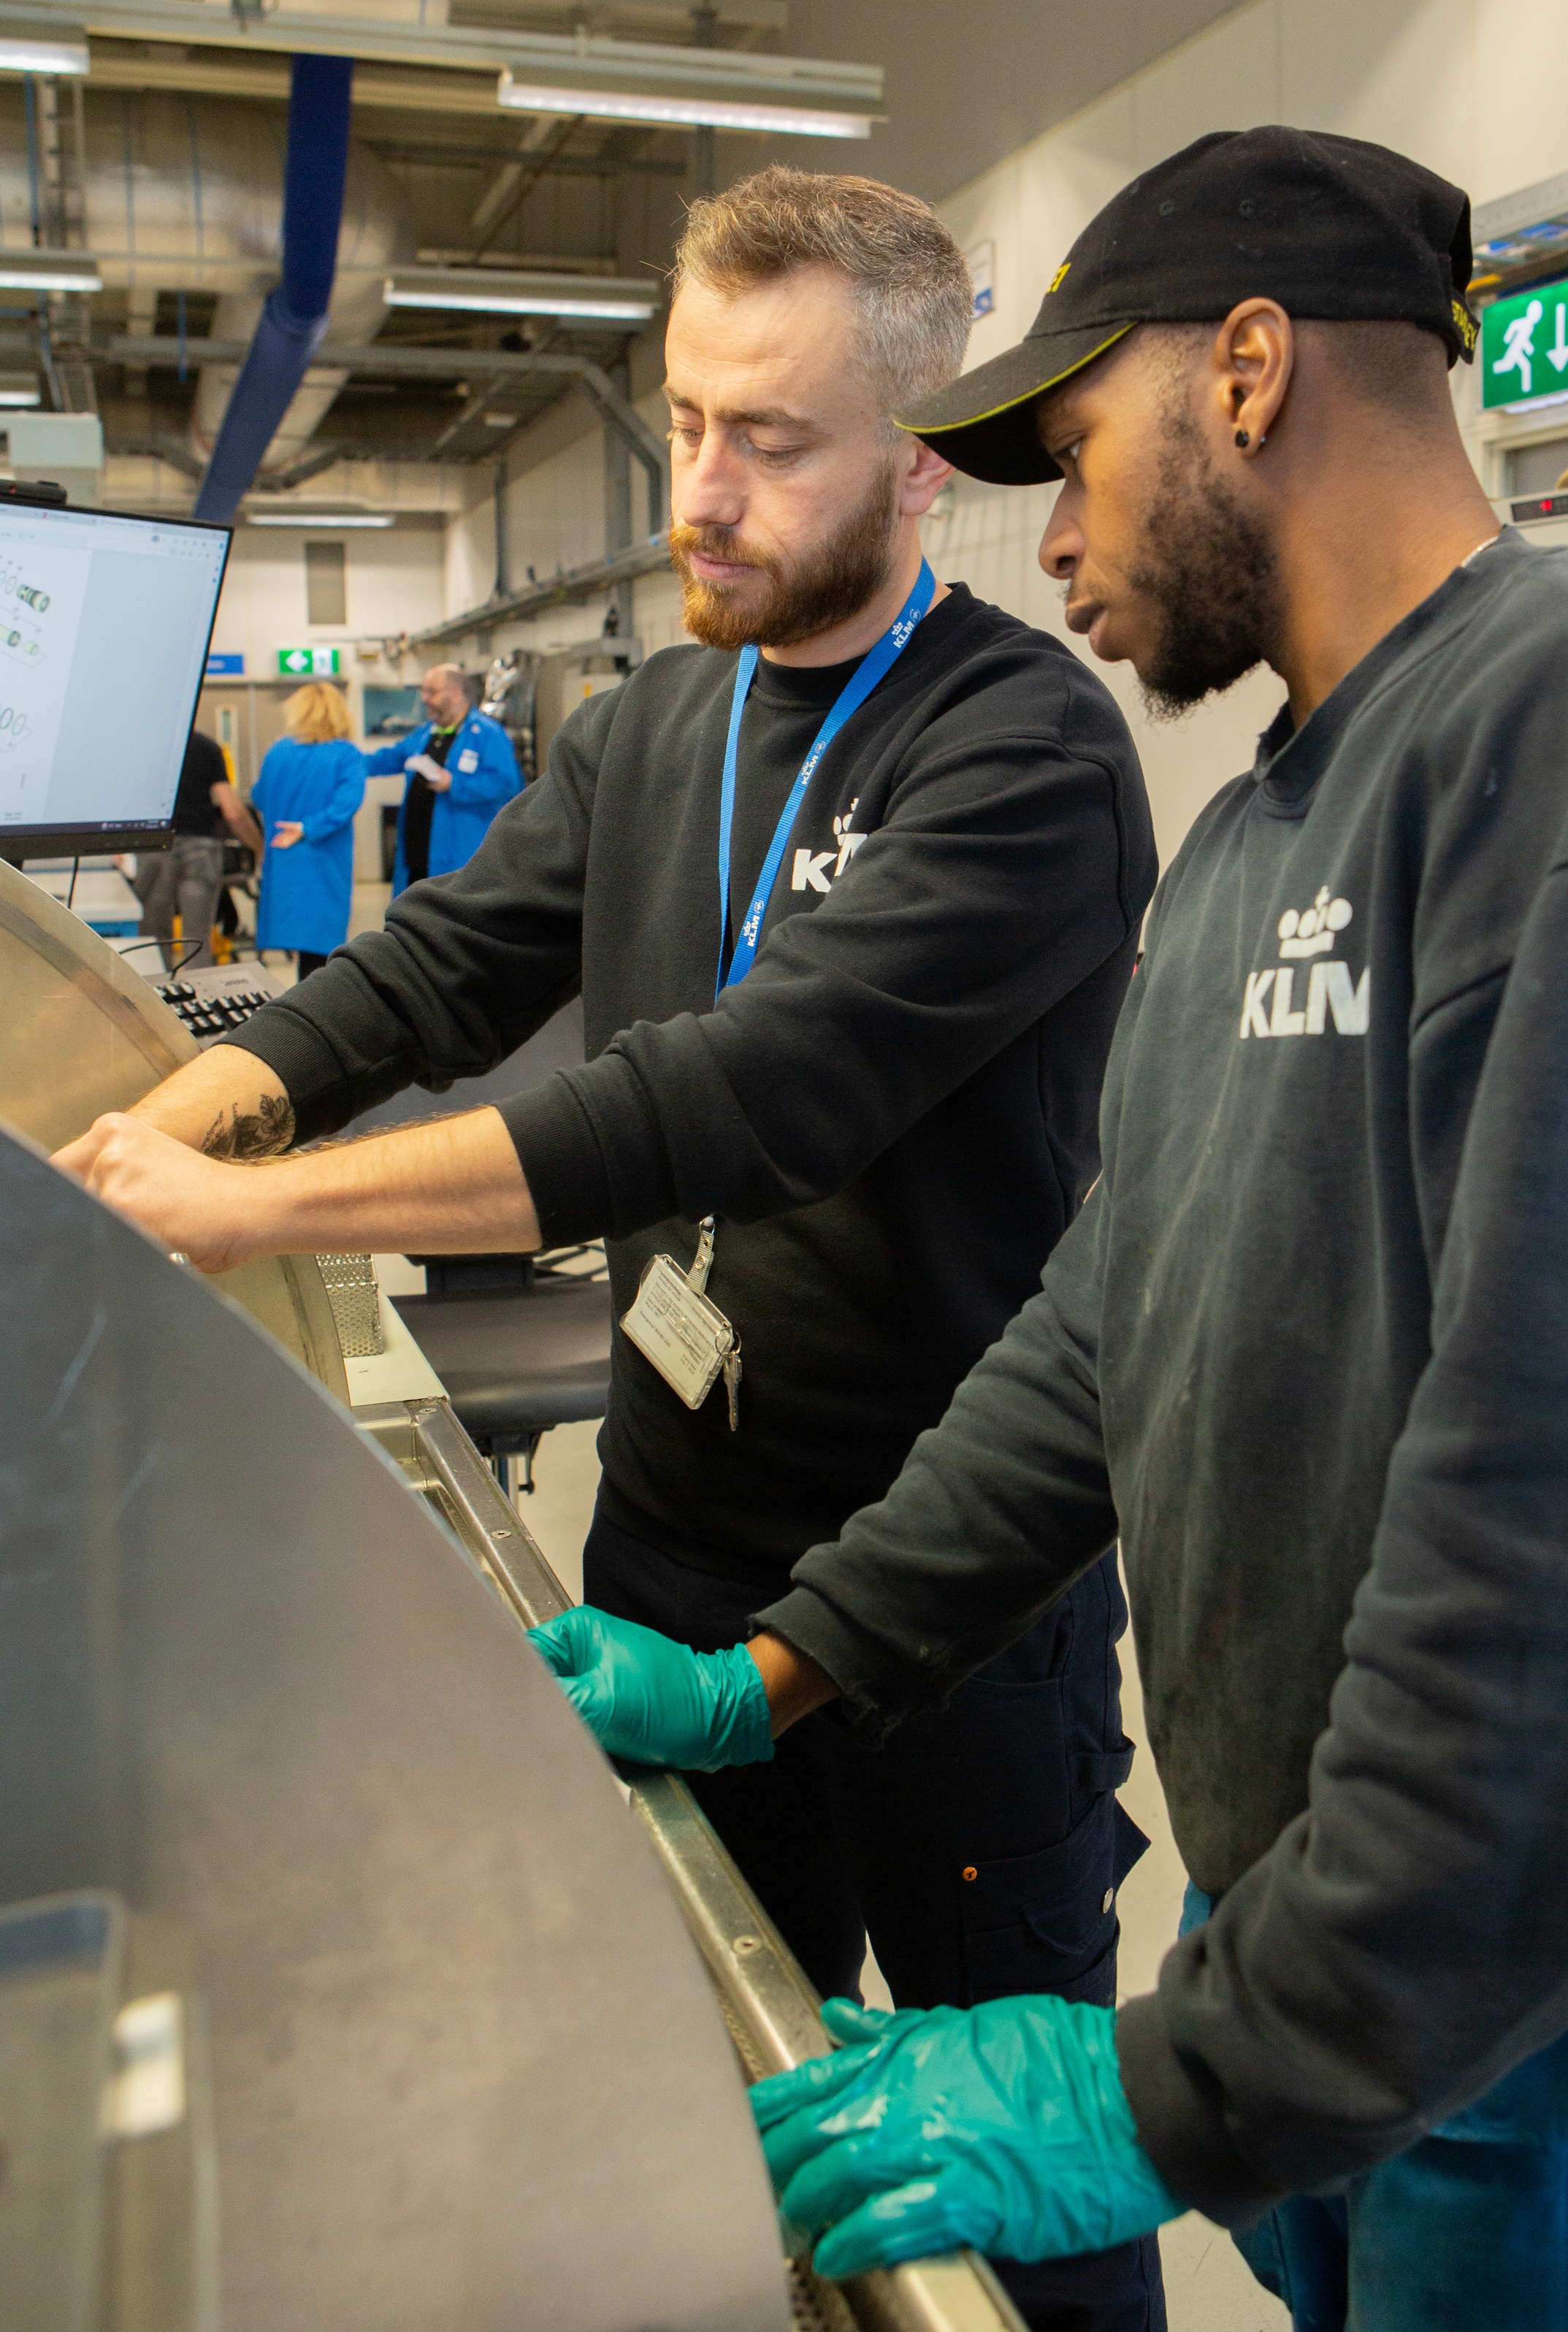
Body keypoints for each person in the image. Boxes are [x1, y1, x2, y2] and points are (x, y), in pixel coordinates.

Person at [473, 130, 1568, 2329]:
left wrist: (1201, 2071)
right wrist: (777, 1667)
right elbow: (1106, 1335)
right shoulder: (1267, 821)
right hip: (1348, 1955)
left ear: (1250, 374)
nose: (1055, 533)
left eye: (1075, 451)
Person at [53, 168, 1166, 2332]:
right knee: (700, 2093)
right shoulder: (649, 724)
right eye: (686, 423)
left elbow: (747, 1091)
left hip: (939, 1619)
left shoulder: (1021, 754)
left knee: (1000, 2210)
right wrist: (135, 1149)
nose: (706, 492)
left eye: (774, 438)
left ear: (919, 459)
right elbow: (424, 980)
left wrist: (257, 1214)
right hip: (672, 1567)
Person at [365, 663, 523, 897]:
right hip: (417, 858)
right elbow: (390, 759)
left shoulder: (488, 734)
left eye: (432, 692)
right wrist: (341, 762)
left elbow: (508, 784)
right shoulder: (427, 733)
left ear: (456, 693)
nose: (424, 699)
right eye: (423, 692)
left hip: (458, 858)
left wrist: (455, 785)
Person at [253, 681, 369, 979]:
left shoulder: (278, 750)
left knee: (303, 948)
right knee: (321, 952)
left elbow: (260, 797)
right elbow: (345, 806)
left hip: (284, 860)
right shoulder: (346, 754)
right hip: (323, 861)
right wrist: (307, 827)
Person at [127, 724, 262, 971]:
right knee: (197, 938)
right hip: (201, 849)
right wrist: (258, 846)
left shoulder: (144, 748)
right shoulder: (208, 747)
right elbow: (232, 811)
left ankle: (158, 999)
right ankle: (199, 1001)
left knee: (155, 938)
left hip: (155, 847)